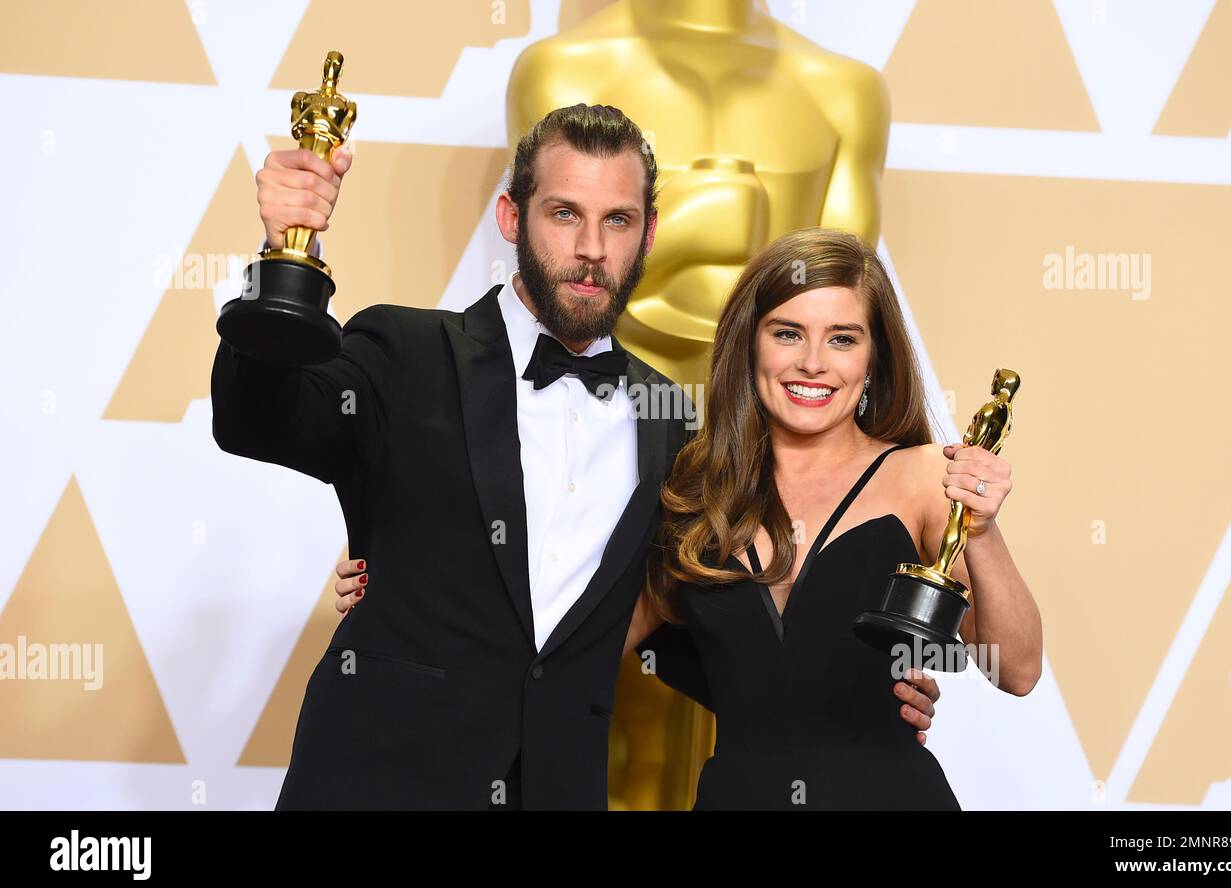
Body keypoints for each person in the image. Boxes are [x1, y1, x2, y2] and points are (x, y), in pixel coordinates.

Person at [214, 104, 941, 810]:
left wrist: (870, 684)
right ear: (511, 218)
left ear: (648, 234)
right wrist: (287, 252)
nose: (591, 248)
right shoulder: (404, 352)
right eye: (564, 214)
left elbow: (709, 631)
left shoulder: (676, 430)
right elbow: (259, 421)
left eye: (617, 220)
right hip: (377, 780)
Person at [334, 226, 1043, 810]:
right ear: (750, 342)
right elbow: (570, 640)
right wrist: (406, 590)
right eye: (788, 333)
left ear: (875, 354)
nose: (814, 364)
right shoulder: (693, 488)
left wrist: (981, 528)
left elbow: (1015, 667)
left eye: (843, 338)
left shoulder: (923, 475)